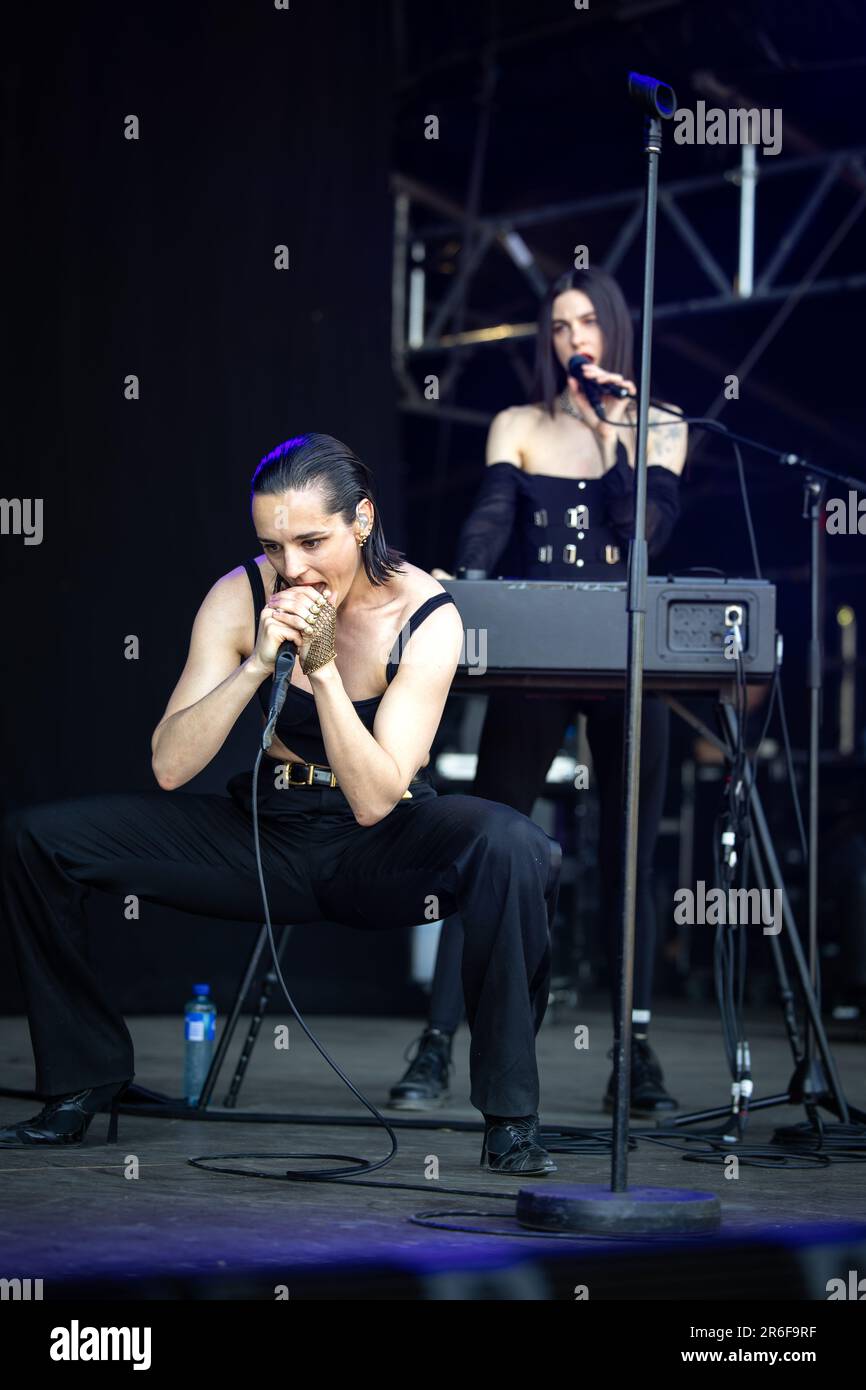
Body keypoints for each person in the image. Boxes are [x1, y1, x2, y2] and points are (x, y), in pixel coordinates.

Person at [0, 433, 562, 1174]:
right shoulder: (240, 594)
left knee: (514, 844)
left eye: (311, 541)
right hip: (264, 830)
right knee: (34, 839)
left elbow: (374, 798)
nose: (292, 567)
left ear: (362, 520)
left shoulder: (426, 613)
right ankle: (84, 1077)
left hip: (379, 846)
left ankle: (510, 1119)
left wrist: (324, 674)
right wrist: (258, 667)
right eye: (273, 545)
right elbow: (170, 766)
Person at [388, 268, 688, 1118]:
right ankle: (439, 1040)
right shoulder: (517, 423)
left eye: (588, 322)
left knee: (632, 856)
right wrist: (467, 579)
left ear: (616, 331)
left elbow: (644, 540)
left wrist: (614, 429)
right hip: (535, 655)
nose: (573, 340)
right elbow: (490, 522)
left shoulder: (662, 427)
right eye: (558, 327)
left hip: (627, 660)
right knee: (485, 839)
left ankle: (632, 1053)